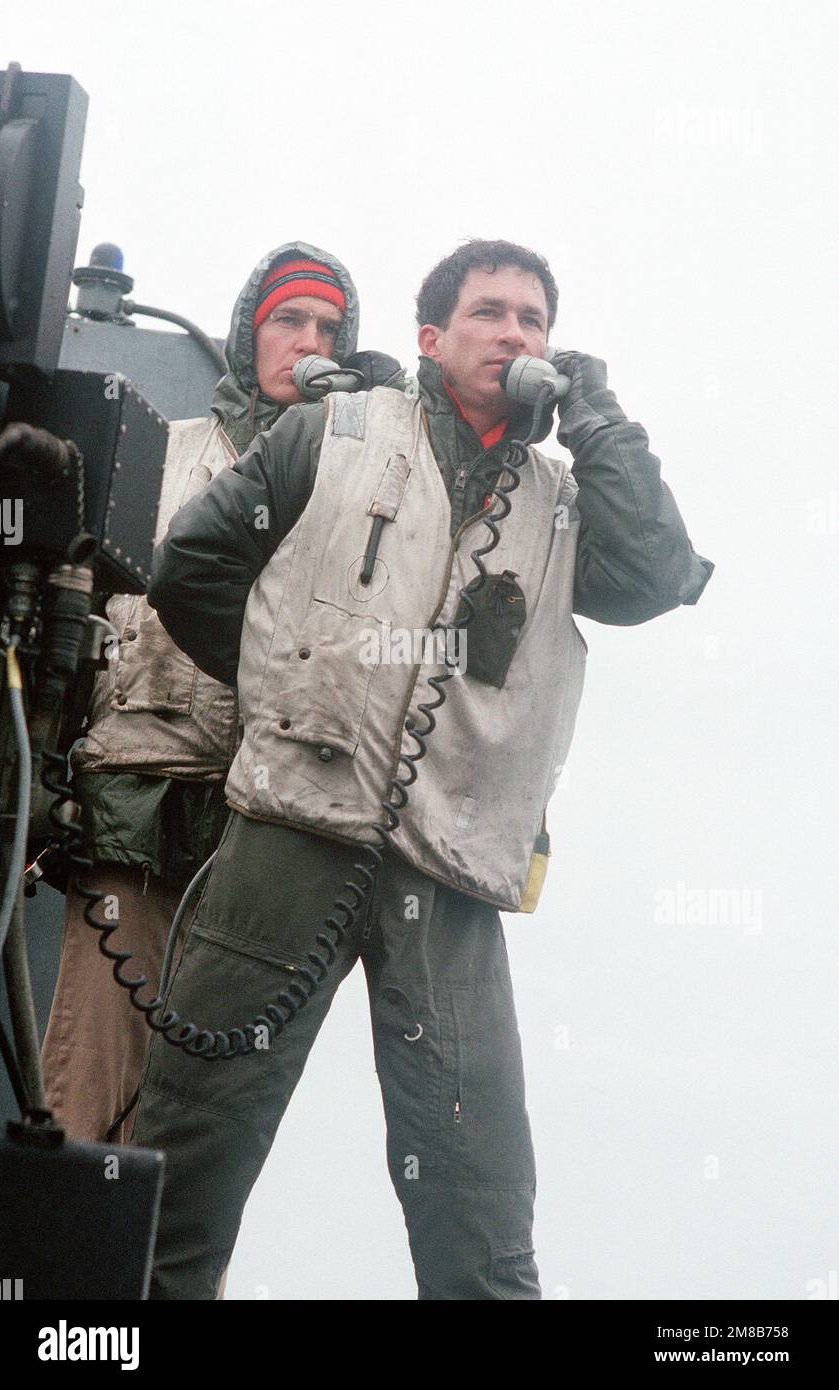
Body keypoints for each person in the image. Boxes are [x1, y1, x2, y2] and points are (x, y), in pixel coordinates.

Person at [132, 239, 714, 1300]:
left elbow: (661, 574)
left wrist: (596, 414)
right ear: (429, 337)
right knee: (183, 1164)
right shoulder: (332, 431)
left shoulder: (567, 502)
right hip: (286, 836)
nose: (514, 333)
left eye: (533, 320)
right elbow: (194, 567)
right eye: (489, 311)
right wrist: (284, 694)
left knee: (477, 1207)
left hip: (447, 874)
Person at [41, 241, 367, 1146]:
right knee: (84, 1108)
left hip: (261, 844)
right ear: (246, 332)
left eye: (329, 327)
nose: (308, 342)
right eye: (288, 320)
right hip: (134, 816)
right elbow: (77, 615)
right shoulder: (158, 453)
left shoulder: (364, 493)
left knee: (192, 1148)